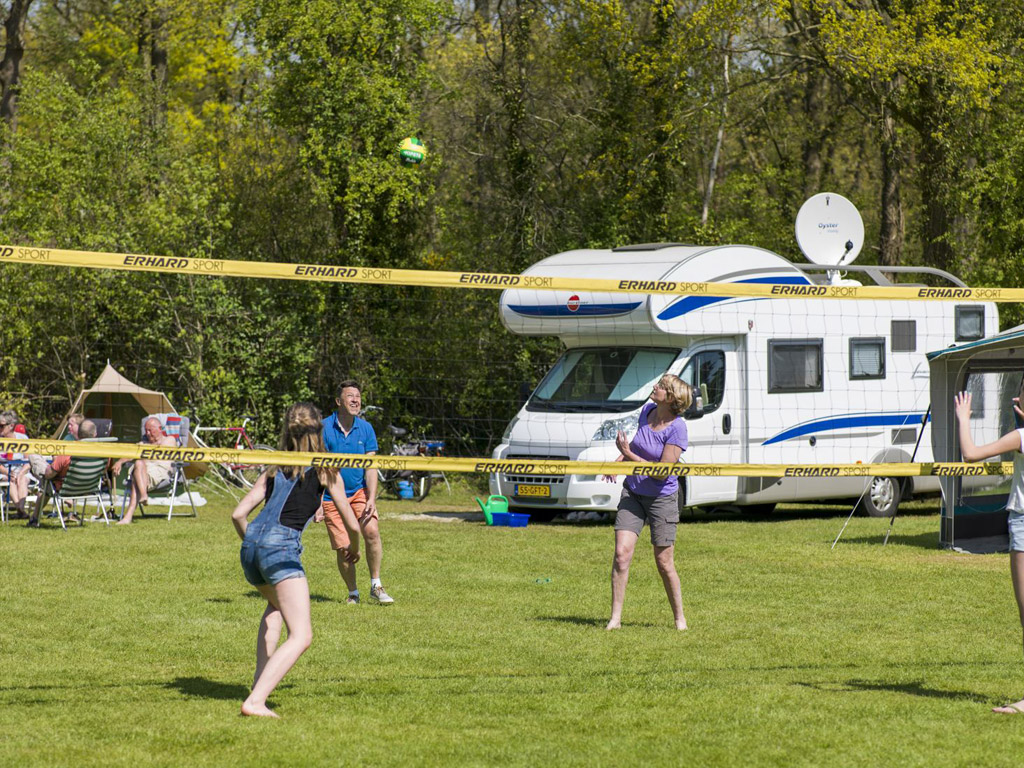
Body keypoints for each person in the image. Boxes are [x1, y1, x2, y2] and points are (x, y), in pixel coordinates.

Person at [232, 402, 361, 718]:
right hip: (281, 547)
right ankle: (255, 702)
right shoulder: (326, 467)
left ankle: (258, 685)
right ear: (319, 430)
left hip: (251, 545)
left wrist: (258, 544)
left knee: (275, 610)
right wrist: (353, 549)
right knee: (302, 634)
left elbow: (237, 514)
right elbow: (352, 523)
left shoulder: (274, 465)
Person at [955, 389, 1024, 714]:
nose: (1015, 398)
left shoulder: (1021, 436)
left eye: (1021, 394)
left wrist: (963, 419)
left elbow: (970, 453)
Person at [604, 374, 691, 631]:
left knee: (664, 563)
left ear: (671, 397)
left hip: (662, 498)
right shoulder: (648, 410)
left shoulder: (678, 428)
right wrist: (619, 462)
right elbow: (637, 446)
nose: (655, 387)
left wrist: (627, 454)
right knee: (621, 555)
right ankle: (615, 619)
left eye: (661, 386)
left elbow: (662, 471)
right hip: (633, 493)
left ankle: (679, 619)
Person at [321, 380, 393, 604]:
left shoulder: (366, 428)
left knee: (371, 531)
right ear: (338, 401)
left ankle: (376, 585)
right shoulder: (322, 427)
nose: (355, 400)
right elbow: (317, 468)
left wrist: (372, 497)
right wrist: (316, 502)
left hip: (359, 492)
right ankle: (353, 593)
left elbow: (371, 467)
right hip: (331, 496)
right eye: (350, 396)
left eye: (358, 396)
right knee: (344, 548)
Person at [26, 419, 98, 527]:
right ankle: (35, 517)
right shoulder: (101, 453)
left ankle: (35, 518)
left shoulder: (68, 452)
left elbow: (49, 474)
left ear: (78, 433)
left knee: (33, 457)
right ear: (95, 434)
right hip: (88, 487)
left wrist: (51, 467)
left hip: (63, 487)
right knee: (45, 484)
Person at [111, 416, 176, 525]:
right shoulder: (143, 444)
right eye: (146, 430)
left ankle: (128, 516)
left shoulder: (169, 439)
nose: (148, 433)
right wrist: (119, 462)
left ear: (160, 428)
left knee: (137, 473)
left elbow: (160, 452)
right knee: (139, 463)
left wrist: (142, 453)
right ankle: (143, 495)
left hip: (159, 471)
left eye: (151, 430)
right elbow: (130, 454)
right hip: (141, 470)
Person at [0, 410, 31, 518]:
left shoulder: (23, 439)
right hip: (3, 471)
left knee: (23, 479)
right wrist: (7, 472)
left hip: (21, 470)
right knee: (10, 480)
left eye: (1, 426)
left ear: (11, 426)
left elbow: (28, 460)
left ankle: (20, 509)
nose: (0, 428)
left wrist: (21, 473)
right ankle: (20, 509)